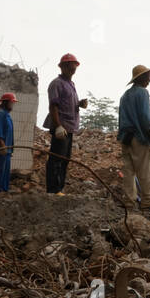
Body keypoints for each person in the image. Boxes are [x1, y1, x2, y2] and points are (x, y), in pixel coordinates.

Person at [118, 65, 150, 209]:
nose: (149, 80)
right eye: (148, 76)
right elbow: (144, 117)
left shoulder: (125, 96)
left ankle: (130, 201)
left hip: (126, 138)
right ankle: (148, 201)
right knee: (145, 169)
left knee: (128, 171)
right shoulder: (143, 93)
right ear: (141, 78)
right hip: (139, 138)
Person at [43, 53, 87, 195]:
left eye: (73, 66)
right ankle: (53, 190)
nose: (72, 69)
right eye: (69, 66)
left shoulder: (71, 84)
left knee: (64, 159)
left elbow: (68, 104)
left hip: (70, 127)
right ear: (62, 67)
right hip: (61, 127)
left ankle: (59, 188)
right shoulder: (56, 84)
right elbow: (53, 106)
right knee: (57, 158)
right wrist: (58, 126)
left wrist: (79, 104)